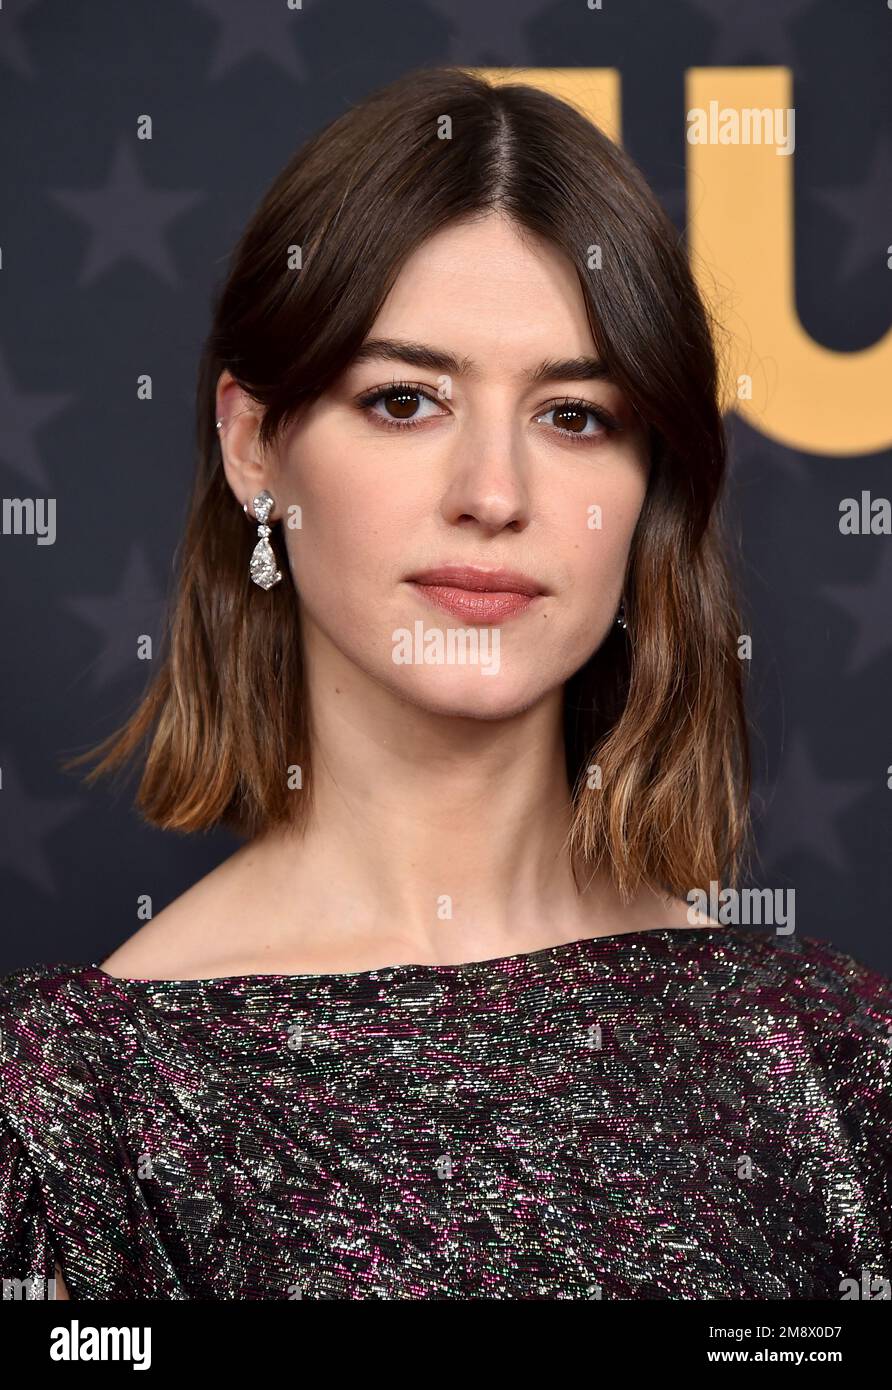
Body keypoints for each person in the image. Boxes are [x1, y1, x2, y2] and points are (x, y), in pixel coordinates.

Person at [1, 66, 890, 1301]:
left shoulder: (825, 1054)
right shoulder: (83, 1107)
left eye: (573, 414)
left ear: (650, 487)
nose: (494, 493)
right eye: (405, 400)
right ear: (254, 444)